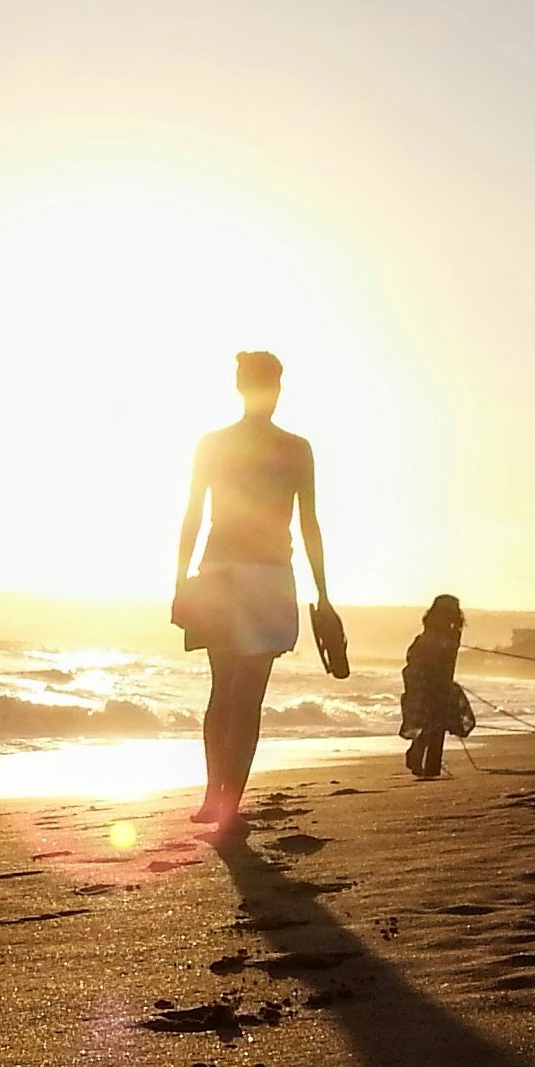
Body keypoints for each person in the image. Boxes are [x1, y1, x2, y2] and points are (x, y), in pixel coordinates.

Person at [172, 350, 327, 834]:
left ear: (240, 387)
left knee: (222, 692)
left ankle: (214, 798)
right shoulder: (296, 448)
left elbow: (193, 516)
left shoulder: (213, 443)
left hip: (219, 571)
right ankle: (228, 806)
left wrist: (180, 579)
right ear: (274, 389)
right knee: (246, 698)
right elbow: (309, 525)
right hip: (265, 575)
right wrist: (324, 594)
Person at [400, 594, 473, 778]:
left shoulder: (450, 632)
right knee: (431, 721)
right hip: (425, 683)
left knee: (436, 721)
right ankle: (421, 758)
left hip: (440, 683)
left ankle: (426, 762)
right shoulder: (431, 635)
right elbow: (419, 660)